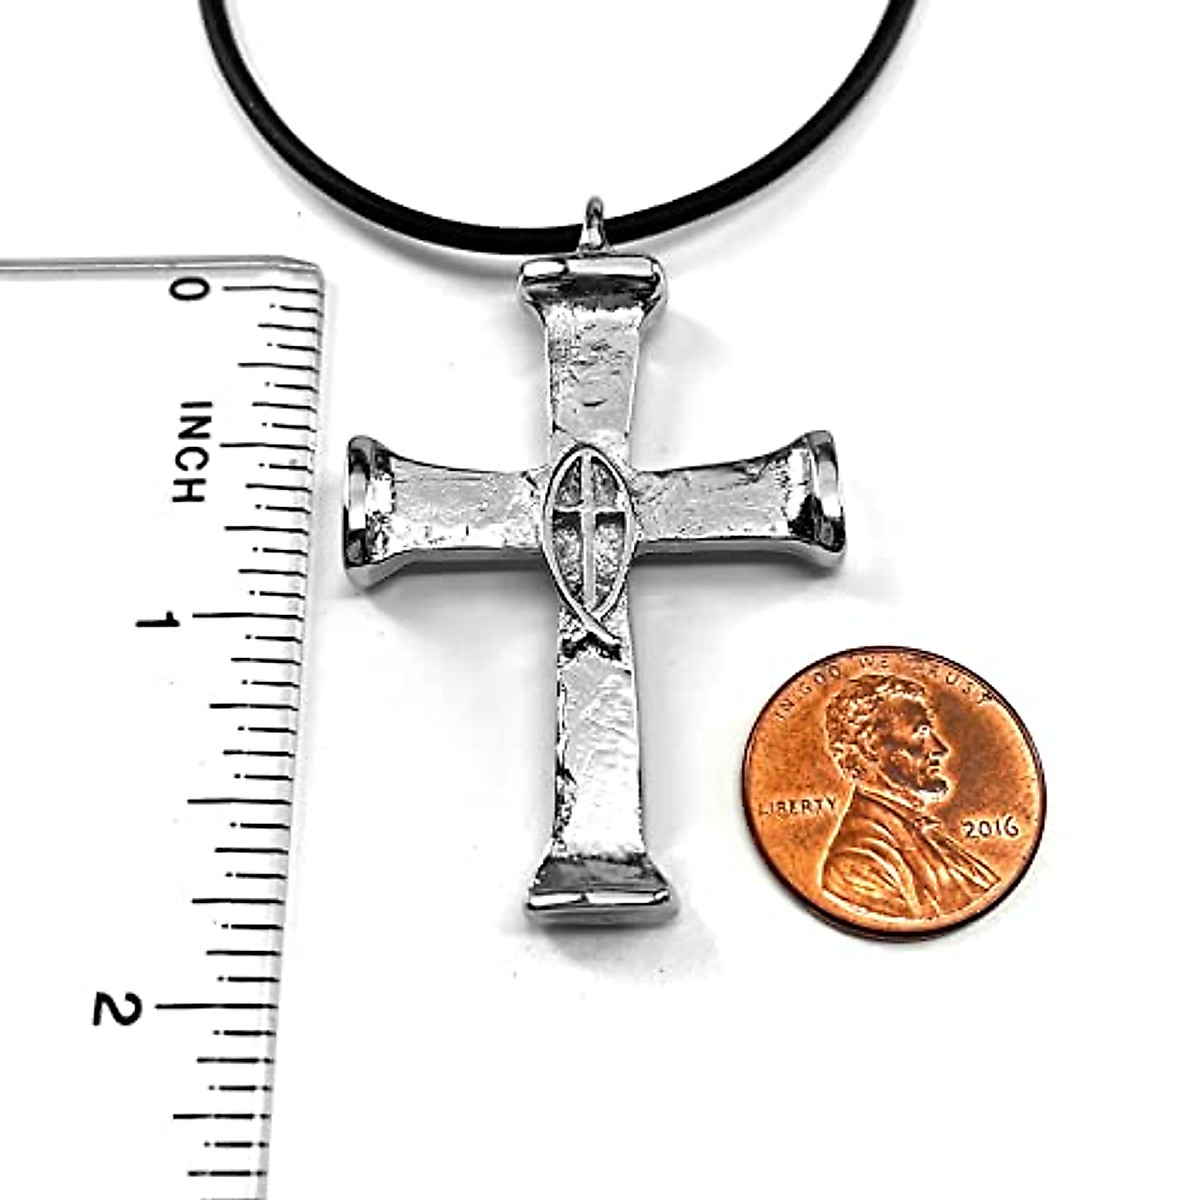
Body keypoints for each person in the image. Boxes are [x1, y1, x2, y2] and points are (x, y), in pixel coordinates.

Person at [820, 673, 998, 920]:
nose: (940, 749)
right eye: (921, 733)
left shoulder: (920, 831)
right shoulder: (858, 864)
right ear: (869, 746)